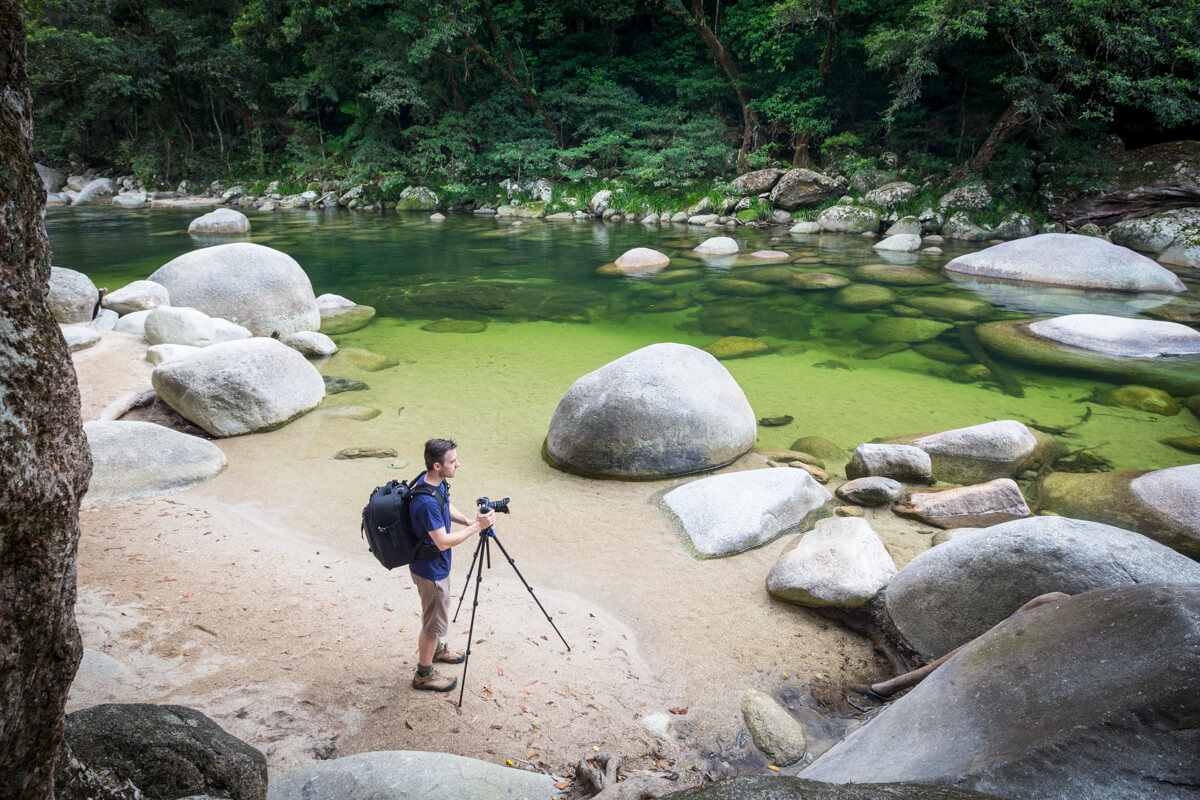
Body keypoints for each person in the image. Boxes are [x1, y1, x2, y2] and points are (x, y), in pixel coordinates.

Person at [408, 438, 495, 691]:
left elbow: (445, 504)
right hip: (430, 571)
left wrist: (467, 520)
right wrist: (478, 527)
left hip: (434, 567)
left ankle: (436, 650)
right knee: (432, 623)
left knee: (436, 616)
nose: (459, 464)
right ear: (437, 465)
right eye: (453, 461)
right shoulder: (424, 503)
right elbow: (443, 542)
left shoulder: (435, 483)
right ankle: (424, 674)